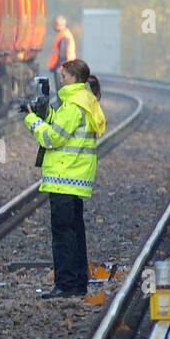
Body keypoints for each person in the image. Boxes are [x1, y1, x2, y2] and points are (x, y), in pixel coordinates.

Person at [20, 58, 104, 298]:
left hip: (64, 177)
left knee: (63, 234)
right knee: (75, 232)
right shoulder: (81, 102)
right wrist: (45, 115)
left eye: (64, 77)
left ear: (74, 79)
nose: (61, 80)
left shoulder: (73, 105)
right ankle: (77, 283)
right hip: (74, 178)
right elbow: (60, 128)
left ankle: (65, 285)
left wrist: (31, 119)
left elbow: (51, 139)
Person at [47, 16, 77, 106]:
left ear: (58, 25)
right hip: (67, 68)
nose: (53, 27)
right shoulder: (66, 34)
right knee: (64, 93)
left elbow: (62, 55)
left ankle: (63, 113)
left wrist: (58, 67)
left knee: (62, 93)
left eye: (54, 25)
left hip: (62, 69)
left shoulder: (63, 36)